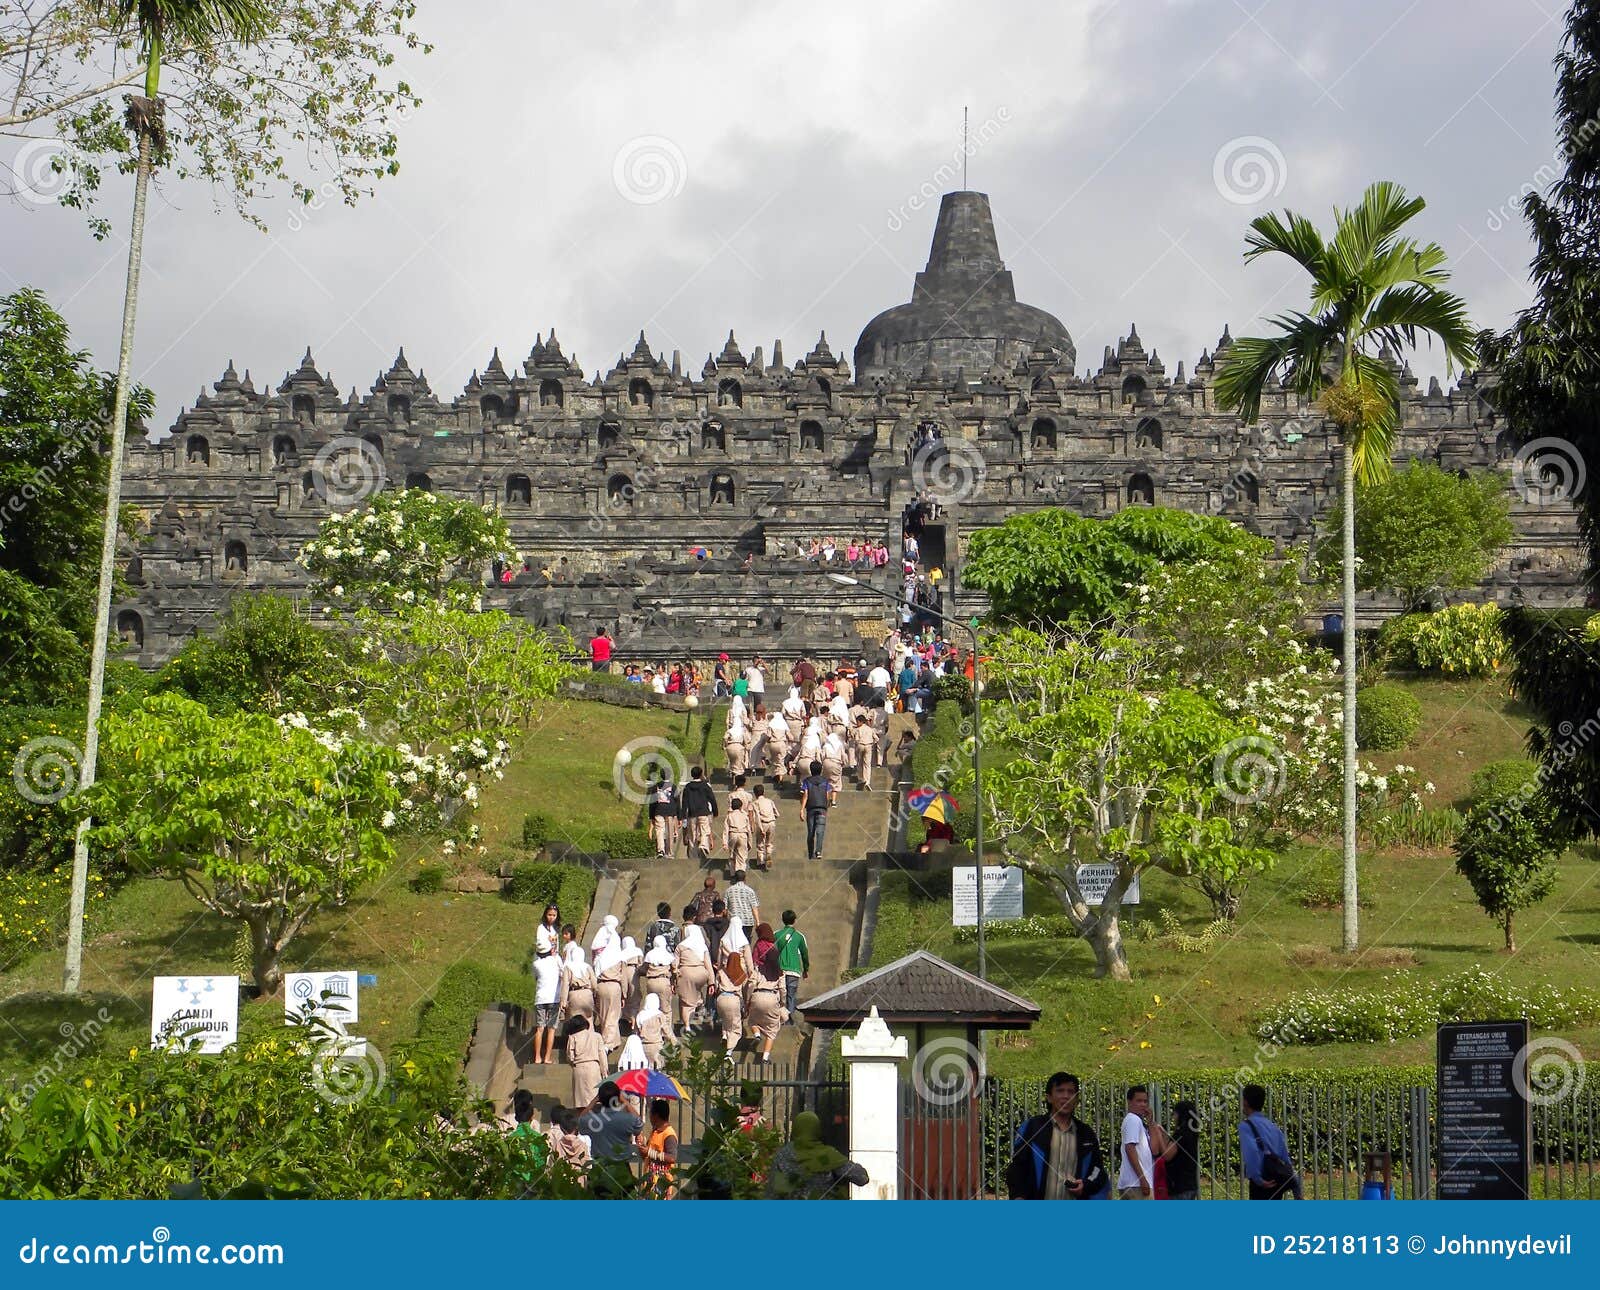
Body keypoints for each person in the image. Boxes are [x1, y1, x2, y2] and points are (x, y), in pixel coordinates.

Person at [1005, 1071, 1108, 1200]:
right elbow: (1017, 1168)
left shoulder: (1087, 1133)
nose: (1066, 1096)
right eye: (1060, 1091)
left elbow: (1097, 1169)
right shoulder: (1031, 1128)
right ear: (1049, 1097)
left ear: (1076, 1099)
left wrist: (1086, 1184)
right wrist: (1018, 1196)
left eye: (1071, 1092)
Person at [768, 1111, 867, 1199]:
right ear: (817, 1130)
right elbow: (861, 1177)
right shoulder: (825, 1156)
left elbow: (772, 1193)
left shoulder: (783, 1155)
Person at [582, 1081, 644, 1198]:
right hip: (622, 1170)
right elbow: (639, 1122)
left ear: (600, 1098)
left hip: (600, 1170)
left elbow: (580, 1120)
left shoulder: (594, 1122)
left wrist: (594, 1101)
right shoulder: (626, 1119)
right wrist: (624, 1101)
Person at [1240, 1084, 1302, 1199]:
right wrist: (1296, 1187)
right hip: (1277, 1179)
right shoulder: (1272, 1126)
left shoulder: (1246, 1126)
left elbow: (1252, 1153)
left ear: (1246, 1102)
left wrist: (1258, 1179)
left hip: (1262, 1182)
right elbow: (1285, 1158)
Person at [748, 922, 784, 1063]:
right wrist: (782, 1002)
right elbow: (783, 989)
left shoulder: (757, 967)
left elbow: (751, 983)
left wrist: (748, 999)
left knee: (752, 1020)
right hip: (771, 996)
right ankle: (765, 1057)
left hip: (757, 994)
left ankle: (756, 1033)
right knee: (772, 1029)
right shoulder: (779, 971)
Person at [1118, 1086, 1155, 1199]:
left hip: (1134, 1183)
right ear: (1129, 1102)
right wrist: (1142, 1179)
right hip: (1136, 1184)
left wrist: (1149, 1122)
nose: (1143, 1104)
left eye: (1145, 1101)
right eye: (1138, 1101)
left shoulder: (1136, 1121)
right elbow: (1130, 1148)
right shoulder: (1133, 1120)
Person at [508, 1089, 549, 1192]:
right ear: (532, 1116)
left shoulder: (509, 1139)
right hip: (534, 1185)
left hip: (515, 1187)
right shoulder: (539, 1138)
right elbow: (542, 1161)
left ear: (516, 1117)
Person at [774, 909, 809, 1021]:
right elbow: (804, 954)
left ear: (783, 920)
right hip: (794, 969)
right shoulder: (799, 936)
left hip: (780, 970)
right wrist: (806, 969)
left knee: (779, 994)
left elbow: (772, 952)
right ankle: (789, 1019)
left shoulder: (776, 934)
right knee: (791, 995)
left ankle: (779, 1017)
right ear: (795, 920)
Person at [564, 1016, 606, 1111]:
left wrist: (574, 1064)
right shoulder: (597, 1036)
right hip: (594, 1067)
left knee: (580, 1101)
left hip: (578, 1068)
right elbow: (602, 1056)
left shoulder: (572, 1037)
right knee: (595, 1099)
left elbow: (570, 1057)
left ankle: (582, 1121)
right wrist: (604, 1072)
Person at [675, 920, 711, 1030]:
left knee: (685, 1002)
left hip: (685, 974)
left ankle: (686, 1026)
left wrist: (674, 979)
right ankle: (699, 1003)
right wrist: (712, 982)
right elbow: (708, 965)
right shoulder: (703, 946)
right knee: (696, 992)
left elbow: (675, 965)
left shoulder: (681, 946)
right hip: (701, 973)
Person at [532, 935, 562, 1065]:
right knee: (551, 1029)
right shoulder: (556, 960)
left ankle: (537, 1057)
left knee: (540, 1028)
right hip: (554, 998)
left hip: (540, 998)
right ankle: (547, 1057)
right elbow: (563, 972)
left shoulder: (536, 964)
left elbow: (535, 977)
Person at [640, 1099, 679, 1198]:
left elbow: (672, 1158)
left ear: (656, 1115)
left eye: (650, 1113)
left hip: (661, 1184)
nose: (649, 1116)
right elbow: (647, 1155)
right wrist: (642, 1147)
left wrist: (650, 1152)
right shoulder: (655, 1131)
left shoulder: (669, 1134)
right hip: (651, 1181)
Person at [678, 766, 719, 860]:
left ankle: (693, 856)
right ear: (701, 774)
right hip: (703, 812)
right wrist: (715, 812)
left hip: (692, 814)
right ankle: (703, 845)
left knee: (692, 835)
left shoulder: (687, 787)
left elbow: (684, 803)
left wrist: (683, 816)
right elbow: (712, 799)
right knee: (705, 831)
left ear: (692, 775)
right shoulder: (705, 785)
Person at [1166, 1101, 1202, 1200]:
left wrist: (1159, 1135)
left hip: (1180, 1185)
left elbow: (1167, 1155)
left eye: (1175, 1114)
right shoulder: (1192, 1132)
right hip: (1190, 1184)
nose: (1173, 1118)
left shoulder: (1181, 1134)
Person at [800, 760, 831, 859]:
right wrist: (827, 805)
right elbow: (827, 795)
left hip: (810, 809)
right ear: (821, 770)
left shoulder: (807, 781)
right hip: (822, 808)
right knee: (820, 831)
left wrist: (801, 809)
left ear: (810, 770)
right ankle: (818, 851)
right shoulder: (825, 782)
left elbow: (805, 795)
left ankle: (810, 854)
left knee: (811, 832)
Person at [641, 933, 676, 1019]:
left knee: (652, 1006)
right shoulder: (668, 955)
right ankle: (666, 1029)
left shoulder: (649, 954)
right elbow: (674, 970)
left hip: (651, 982)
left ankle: (653, 1026)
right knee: (665, 1009)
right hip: (664, 981)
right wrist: (674, 983)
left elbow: (644, 968)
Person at [635, 991, 673, 1067]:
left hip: (643, 1046)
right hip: (656, 1046)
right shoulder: (659, 1015)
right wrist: (673, 1042)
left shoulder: (640, 1015)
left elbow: (636, 1031)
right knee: (657, 1071)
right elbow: (667, 1031)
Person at [561, 942, 595, 1024]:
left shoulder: (568, 967)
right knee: (589, 1020)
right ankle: (589, 1036)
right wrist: (593, 993)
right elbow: (594, 982)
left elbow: (565, 985)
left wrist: (563, 1001)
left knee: (575, 1021)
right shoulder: (587, 966)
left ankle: (575, 1037)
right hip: (587, 994)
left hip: (574, 994)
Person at [648, 770, 679, 858]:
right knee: (670, 831)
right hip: (670, 811)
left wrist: (651, 816)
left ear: (661, 776)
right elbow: (677, 802)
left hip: (658, 810)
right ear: (670, 776)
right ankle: (669, 852)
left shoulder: (656, 787)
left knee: (659, 830)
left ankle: (660, 850)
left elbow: (652, 803)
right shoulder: (673, 787)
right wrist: (679, 816)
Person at [722, 791, 753, 877]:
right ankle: (741, 874)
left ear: (731, 806)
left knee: (732, 855)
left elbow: (725, 829)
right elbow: (749, 829)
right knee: (742, 856)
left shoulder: (729, 816)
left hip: (732, 834)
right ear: (741, 806)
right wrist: (750, 842)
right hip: (743, 834)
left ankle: (732, 874)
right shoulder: (744, 815)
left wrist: (725, 843)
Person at [750, 784, 779, 869]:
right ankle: (769, 854)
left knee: (760, 843)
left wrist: (760, 828)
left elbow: (757, 816)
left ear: (755, 793)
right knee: (769, 843)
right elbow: (777, 813)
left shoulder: (755, 803)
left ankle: (761, 861)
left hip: (762, 823)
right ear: (764, 792)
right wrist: (773, 818)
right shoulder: (770, 801)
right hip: (772, 822)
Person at [725, 871, 760, 941]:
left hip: (734, 921)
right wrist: (758, 921)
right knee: (746, 942)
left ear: (734, 878)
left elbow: (725, 908)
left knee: (735, 941)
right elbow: (754, 907)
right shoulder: (750, 891)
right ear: (745, 878)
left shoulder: (729, 890)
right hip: (747, 921)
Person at [851, 713, 880, 790]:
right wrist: (872, 744)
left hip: (860, 745)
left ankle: (861, 778)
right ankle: (867, 781)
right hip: (868, 745)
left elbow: (855, 739)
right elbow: (877, 739)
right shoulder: (870, 729)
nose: (857, 723)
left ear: (860, 721)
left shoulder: (858, 729)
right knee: (867, 764)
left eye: (857, 722)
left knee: (860, 763)